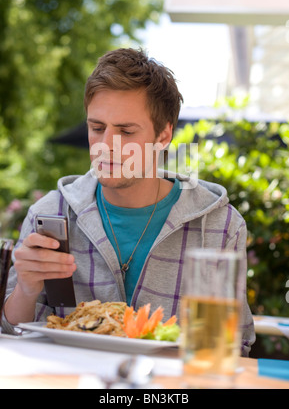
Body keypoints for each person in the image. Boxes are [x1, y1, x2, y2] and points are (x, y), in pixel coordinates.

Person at [2, 48, 255, 355]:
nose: (106, 146)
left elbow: (234, 344)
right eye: (97, 128)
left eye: (125, 131)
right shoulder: (49, 214)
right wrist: (28, 289)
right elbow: (11, 333)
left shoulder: (220, 225)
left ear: (163, 136)